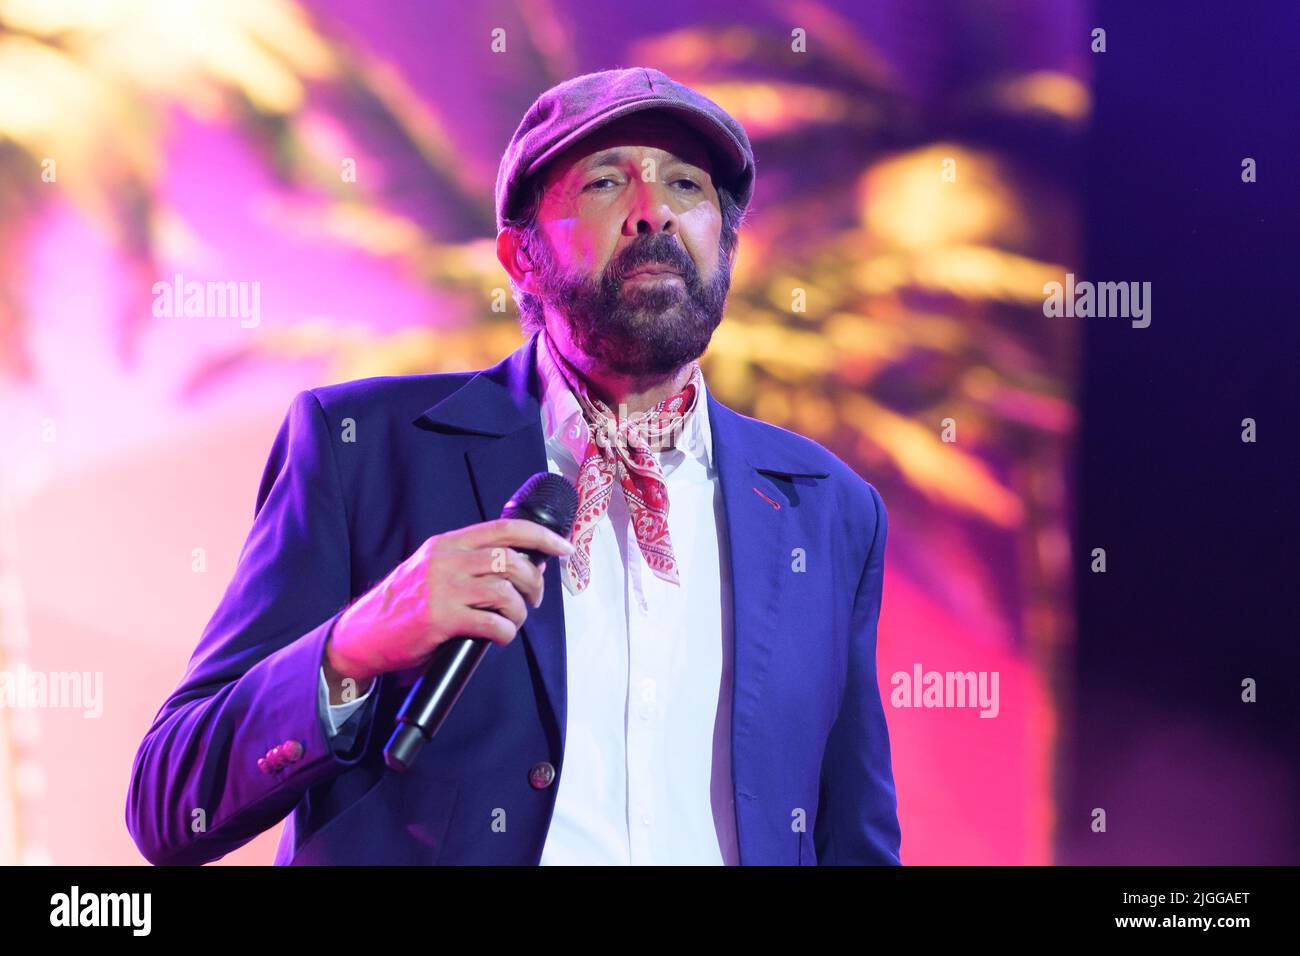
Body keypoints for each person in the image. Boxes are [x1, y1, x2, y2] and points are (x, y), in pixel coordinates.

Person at [126, 67, 901, 866]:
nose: (653, 211)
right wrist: (353, 646)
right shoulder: (362, 448)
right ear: (521, 259)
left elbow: (855, 835)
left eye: (686, 185)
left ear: (726, 248)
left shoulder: (825, 509)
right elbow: (169, 800)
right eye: (606, 181)